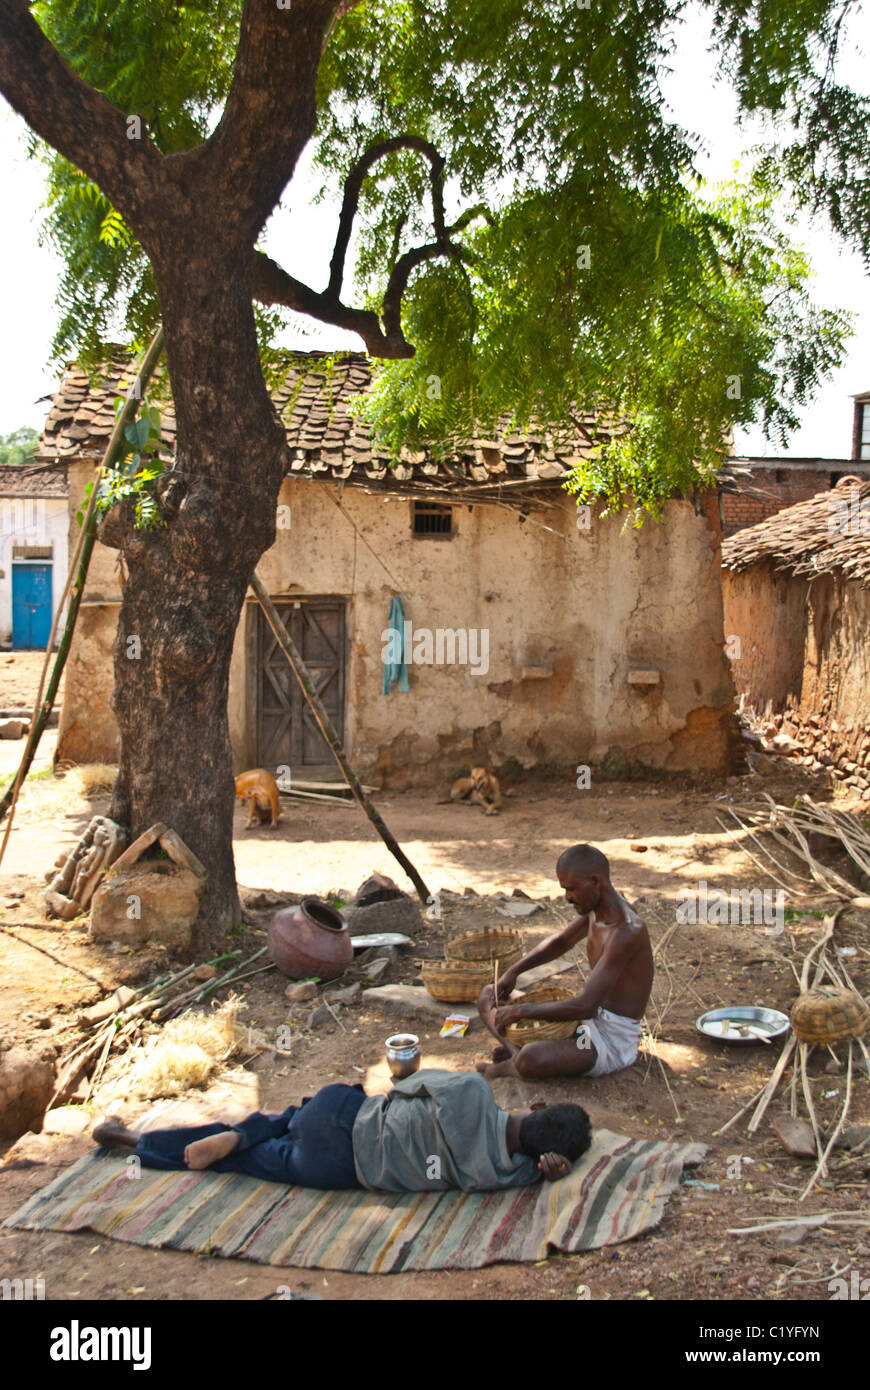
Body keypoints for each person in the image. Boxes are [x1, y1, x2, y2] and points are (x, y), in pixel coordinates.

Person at [92, 1068, 592, 1192]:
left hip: (338, 1117)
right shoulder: (503, 1177)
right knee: (246, 1163)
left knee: (291, 1116)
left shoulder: (473, 1090)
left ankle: (242, 1131)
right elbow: (537, 1171)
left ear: (536, 1104)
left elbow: (402, 1087)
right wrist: (548, 1172)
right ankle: (226, 1148)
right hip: (340, 1169)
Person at [475, 843, 653, 1080]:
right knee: (489, 995)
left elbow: (585, 1006)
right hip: (580, 1024)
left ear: (595, 881)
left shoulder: (626, 931)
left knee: (533, 1058)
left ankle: (508, 1064)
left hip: (606, 1040)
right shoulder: (596, 909)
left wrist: (521, 1011)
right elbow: (561, 942)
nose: (567, 897)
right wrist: (514, 972)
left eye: (571, 889)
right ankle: (516, 1053)